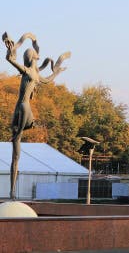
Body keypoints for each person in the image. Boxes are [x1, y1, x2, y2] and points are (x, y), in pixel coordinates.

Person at [2, 32, 70, 199]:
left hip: (21, 108)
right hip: (23, 108)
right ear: (33, 58)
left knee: (16, 151)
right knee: (16, 144)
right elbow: (11, 60)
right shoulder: (30, 72)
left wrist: (57, 69)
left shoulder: (33, 73)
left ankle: (12, 190)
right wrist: (12, 49)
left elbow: (48, 79)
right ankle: (12, 189)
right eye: (36, 56)